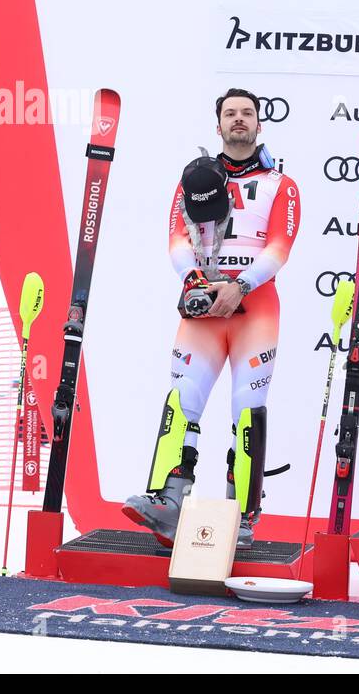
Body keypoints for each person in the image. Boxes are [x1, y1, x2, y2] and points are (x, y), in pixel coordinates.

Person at [123, 88, 301, 548]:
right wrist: (194, 281)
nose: (238, 120)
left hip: (254, 306)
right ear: (217, 125)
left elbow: (280, 248)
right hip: (202, 303)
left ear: (260, 124)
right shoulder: (192, 181)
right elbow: (176, 240)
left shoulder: (283, 185)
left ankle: (240, 514)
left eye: (247, 114)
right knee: (183, 397)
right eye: (230, 114)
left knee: (247, 407)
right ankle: (167, 499)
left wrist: (239, 286)